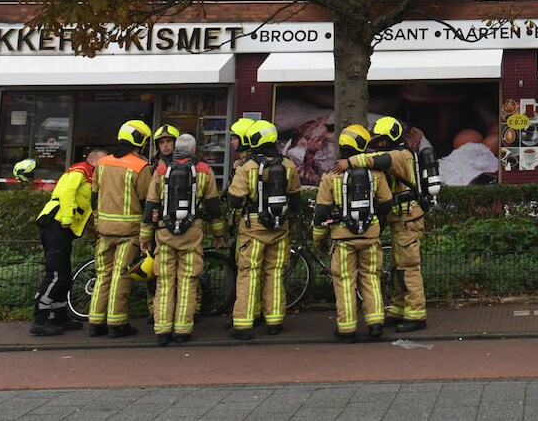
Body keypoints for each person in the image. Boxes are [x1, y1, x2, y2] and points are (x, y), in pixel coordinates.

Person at [336, 115, 434, 332]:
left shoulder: (401, 155)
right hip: (401, 219)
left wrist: (350, 161)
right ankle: (398, 309)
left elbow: (380, 160)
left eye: (381, 140)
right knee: (398, 265)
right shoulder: (400, 153)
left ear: (391, 137)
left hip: (408, 219)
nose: (379, 144)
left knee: (409, 267)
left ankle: (417, 314)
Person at [311, 123, 390, 341]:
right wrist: (376, 227)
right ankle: (375, 323)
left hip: (342, 239)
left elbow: (321, 213)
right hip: (370, 237)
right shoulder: (376, 174)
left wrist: (319, 239)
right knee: (371, 278)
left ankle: (346, 329)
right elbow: (386, 205)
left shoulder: (330, 176)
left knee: (345, 282)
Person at [143, 133, 222, 345]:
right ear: (193, 150)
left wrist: (145, 236)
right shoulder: (204, 170)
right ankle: (183, 330)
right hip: (192, 232)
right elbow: (214, 206)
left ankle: (162, 330)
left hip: (164, 232)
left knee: (165, 281)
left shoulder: (161, 169)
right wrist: (218, 233)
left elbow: (151, 204)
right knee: (188, 280)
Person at [226, 120, 302, 340]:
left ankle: (243, 325)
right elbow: (295, 199)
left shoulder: (247, 167)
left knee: (248, 275)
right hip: (280, 229)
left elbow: (235, 200)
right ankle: (275, 321)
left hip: (253, 230)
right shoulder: (289, 166)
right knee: (274, 275)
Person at [87, 119, 153, 338]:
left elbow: (94, 198)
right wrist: (148, 232)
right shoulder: (141, 167)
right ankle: (117, 324)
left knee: (103, 274)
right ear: (140, 142)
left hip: (104, 231)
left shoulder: (102, 163)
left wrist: (97, 222)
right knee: (121, 276)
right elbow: (147, 203)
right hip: (129, 233)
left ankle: (95, 322)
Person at [30, 145, 104, 337]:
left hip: (64, 228)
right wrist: (67, 219)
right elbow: (66, 192)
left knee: (63, 275)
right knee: (55, 275)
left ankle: (59, 316)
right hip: (57, 224)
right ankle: (39, 320)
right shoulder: (81, 170)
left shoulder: (93, 177)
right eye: (103, 160)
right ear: (93, 160)